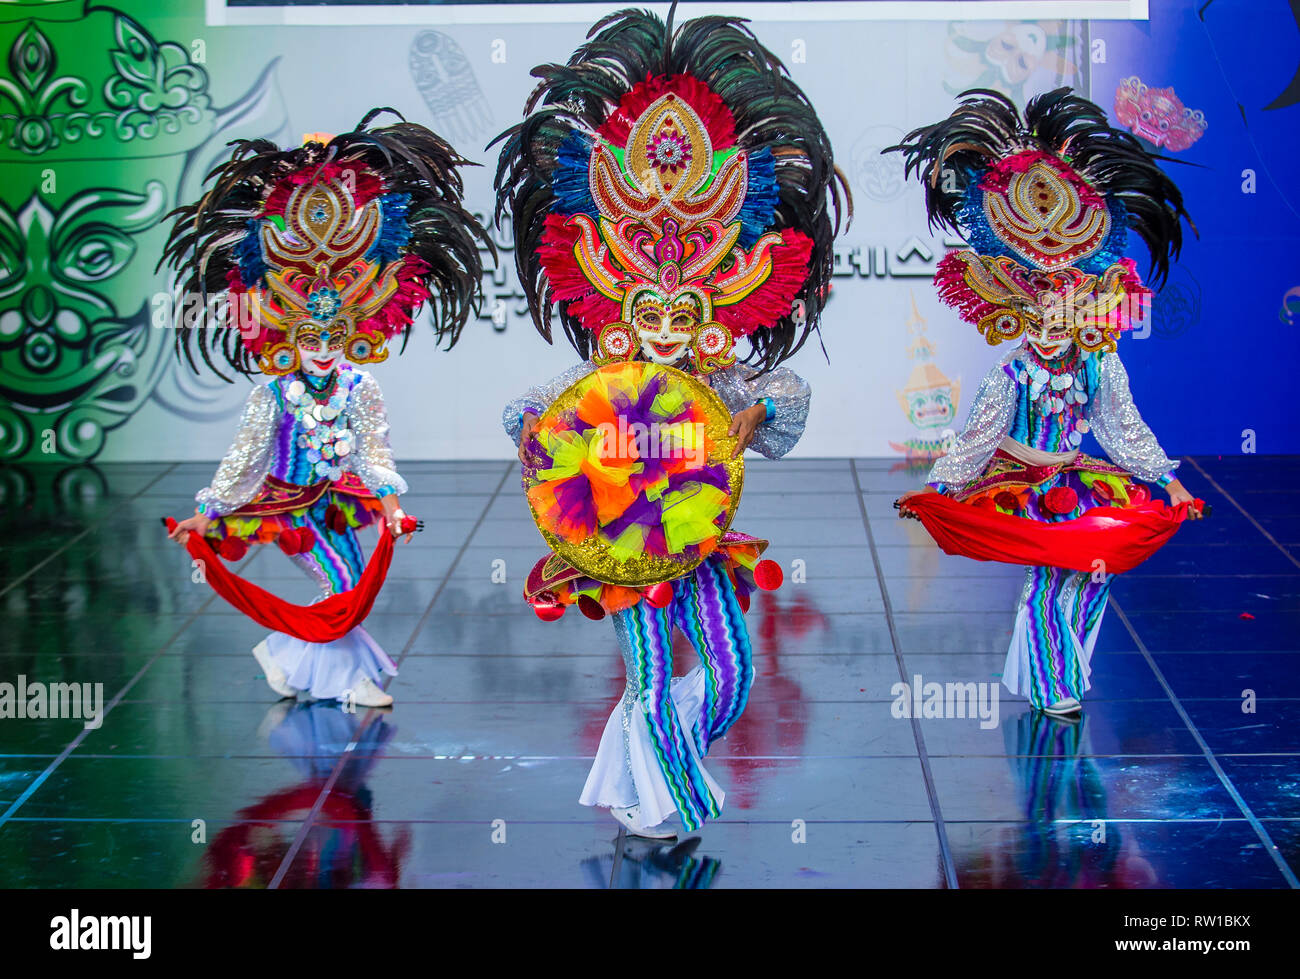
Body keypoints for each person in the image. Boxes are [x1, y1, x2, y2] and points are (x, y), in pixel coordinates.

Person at [492, 6, 848, 837]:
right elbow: (530, 411)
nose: (661, 324)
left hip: (705, 543)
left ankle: (649, 758)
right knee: (650, 681)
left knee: (731, 673)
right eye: (646, 305)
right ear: (618, 297)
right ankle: (657, 791)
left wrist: (748, 410)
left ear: (713, 299)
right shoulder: (600, 379)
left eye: (681, 306)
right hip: (624, 547)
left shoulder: (720, 375)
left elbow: (783, 404)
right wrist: (540, 444)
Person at [161, 112, 490, 706]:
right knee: (341, 584)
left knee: (347, 586)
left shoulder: (359, 385)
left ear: (350, 335)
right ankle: (351, 681)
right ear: (289, 335)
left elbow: (373, 450)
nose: (320, 351)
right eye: (309, 340)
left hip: (335, 501)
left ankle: (287, 660)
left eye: (332, 339)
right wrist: (207, 516)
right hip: (288, 504)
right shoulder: (274, 390)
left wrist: (391, 510)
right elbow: (245, 455)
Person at [890, 89, 1201, 717]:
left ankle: (1064, 673)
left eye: (1065, 309)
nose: (1053, 322)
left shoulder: (1098, 362)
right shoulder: (1012, 374)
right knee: (1047, 580)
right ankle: (1051, 684)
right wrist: (940, 489)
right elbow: (976, 438)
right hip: (1020, 482)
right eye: (1039, 310)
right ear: (1017, 310)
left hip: (1076, 478)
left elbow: (1122, 425)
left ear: (1087, 304)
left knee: (1093, 573)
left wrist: (1166, 483)